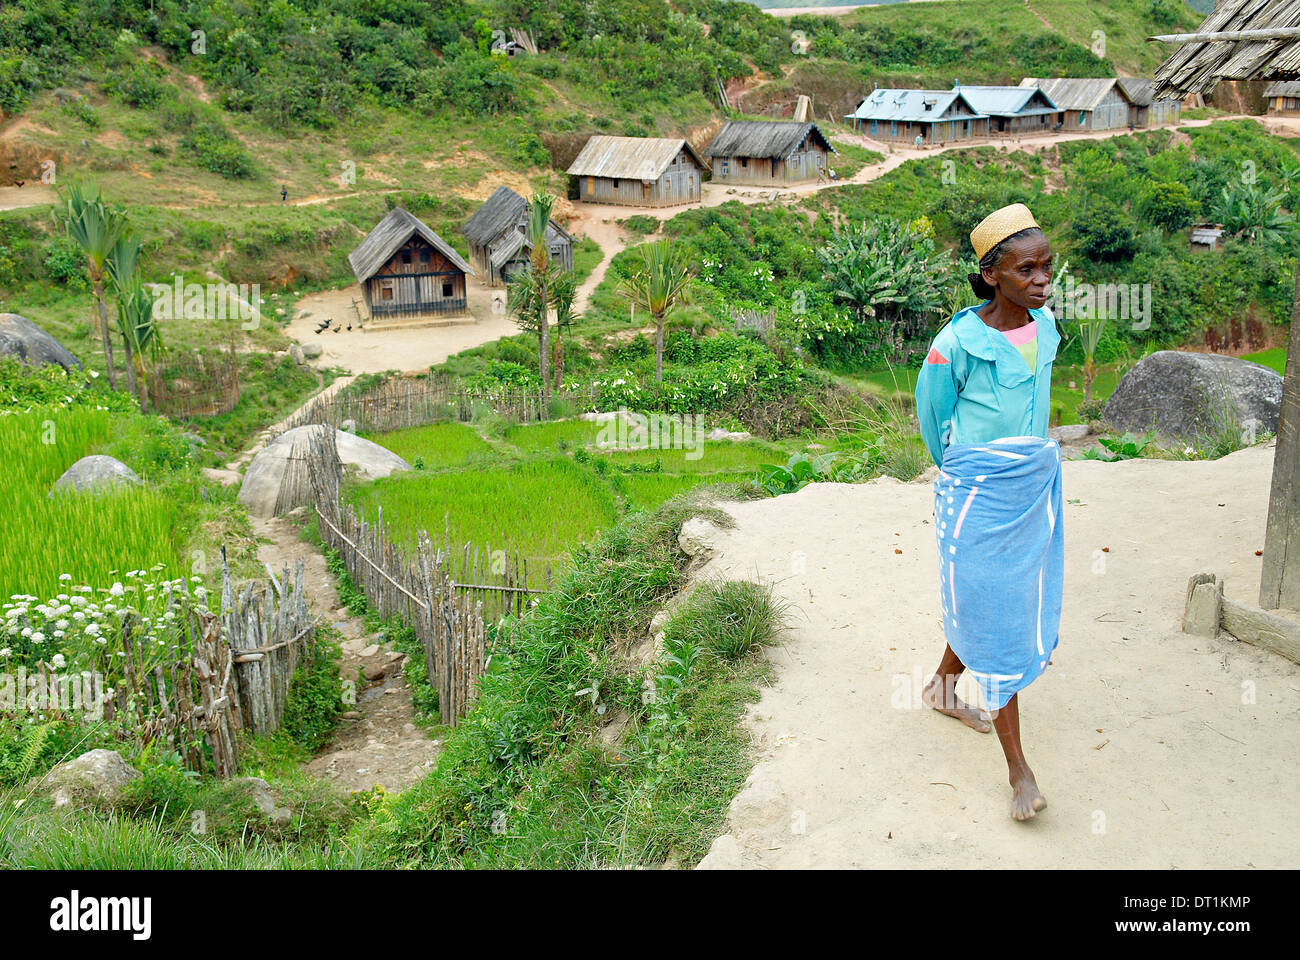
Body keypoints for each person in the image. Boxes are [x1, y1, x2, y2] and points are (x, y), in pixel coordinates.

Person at [913, 202, 1064, 822]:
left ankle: (942, 685)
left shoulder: (1046, 328)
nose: (1041, 280)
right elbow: (932, 418)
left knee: (995, 600)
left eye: (1047, 267)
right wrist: (968, 473)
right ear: (991, 274)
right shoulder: (956, 345)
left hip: (1029, 489)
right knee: (998, 618)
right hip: (977, 493)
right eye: (1027, 269)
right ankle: (1019, 772)